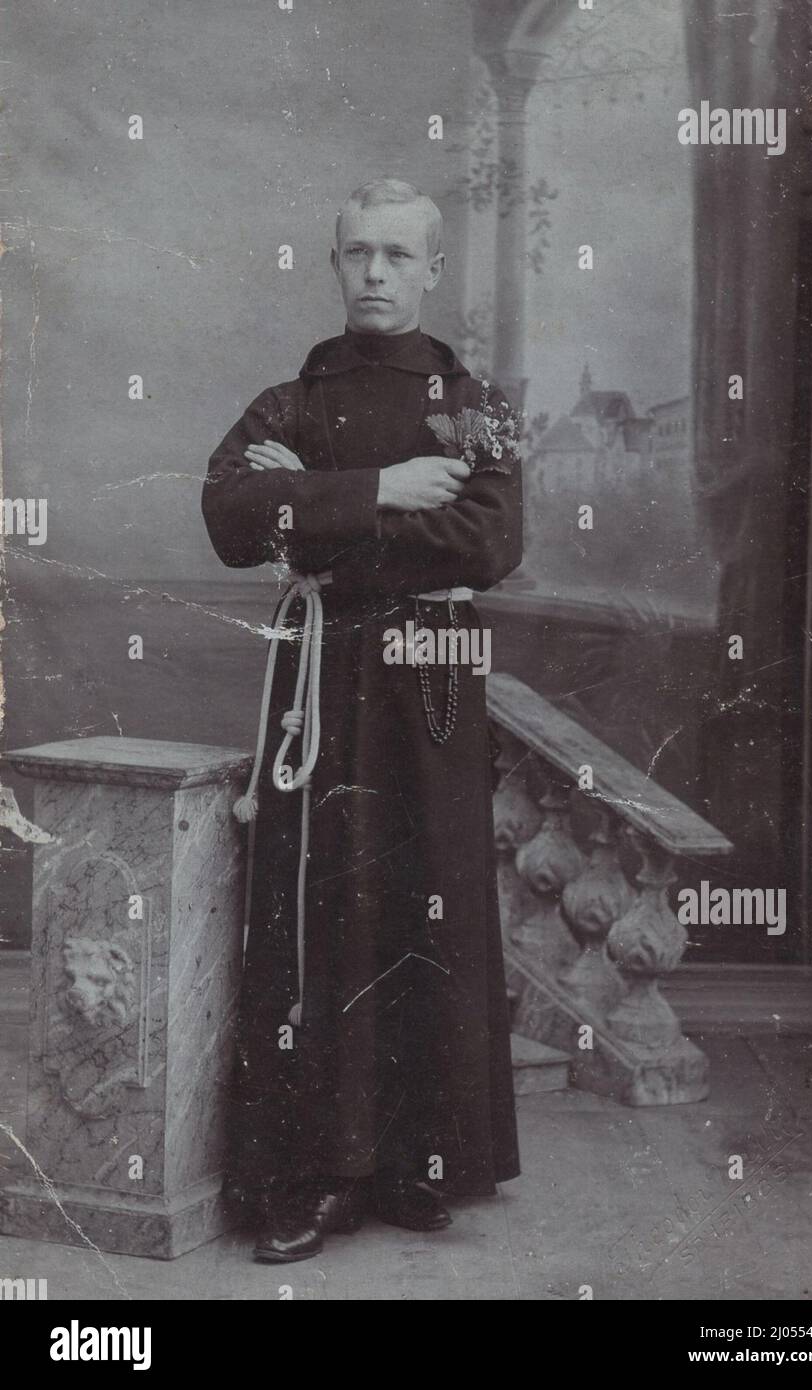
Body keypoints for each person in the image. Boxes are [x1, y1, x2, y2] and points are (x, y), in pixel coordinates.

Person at [201, 177, 522, 1264]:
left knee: (424, 902)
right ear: (335, 264)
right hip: (323, 676)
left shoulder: (472, 400)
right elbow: (229, 514)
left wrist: (322, 514)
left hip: (430, 674)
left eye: (397, 255)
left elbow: (486, 543)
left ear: (430, 270)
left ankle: (413, 1159)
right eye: (357, 255)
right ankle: (309, 1173)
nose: (376, 273)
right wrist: (383, 486)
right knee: (317, 907)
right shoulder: (294, 398)